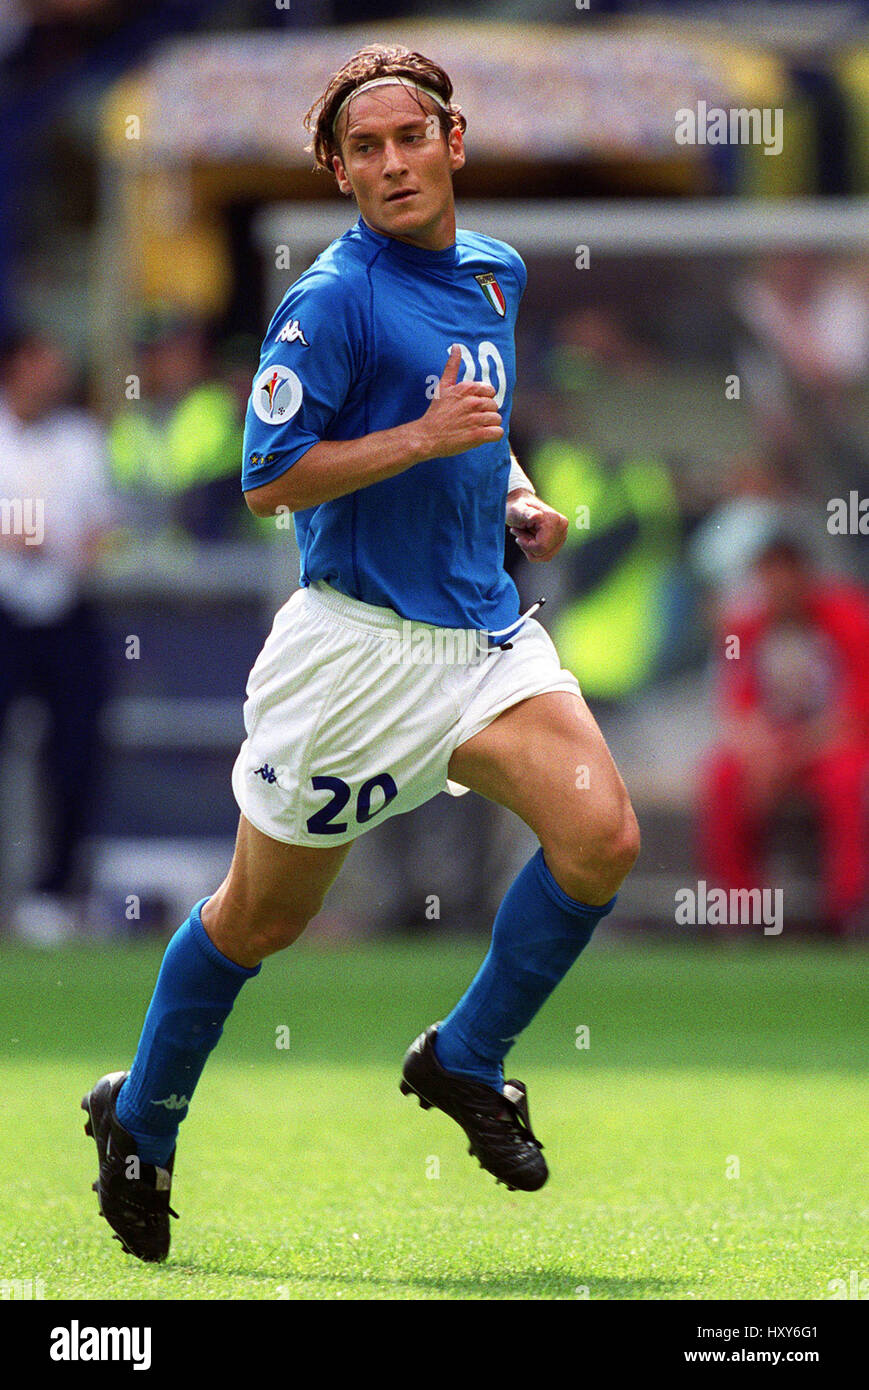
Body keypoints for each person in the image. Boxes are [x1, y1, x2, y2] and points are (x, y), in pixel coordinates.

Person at [81, 44, 640, 1262]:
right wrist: (417, 436)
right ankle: (142, 1114)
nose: (392, 162)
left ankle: (466, 1056)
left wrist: (512, 500)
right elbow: (268, 476)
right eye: (365, 148)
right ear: (336, 170)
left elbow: (477, 435)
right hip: (353, 659)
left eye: (410, 137)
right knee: (258, 919)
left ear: (453, 142)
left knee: (600, 838)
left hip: (482, 636)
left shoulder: (496, 272)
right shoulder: (330, 300)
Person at [0, 331, 114, 937]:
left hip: (67, 614)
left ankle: (53, 890)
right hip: (4, 617)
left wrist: (65, 543)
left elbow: (99, 524)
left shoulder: (81, 439)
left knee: (74, 755)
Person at [700, 537, 869, 936]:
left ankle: (847, 907)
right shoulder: (744, 628)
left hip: (832, 745)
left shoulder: (847, 618)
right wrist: (761, 753)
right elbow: (737, 709)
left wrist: (792, 753)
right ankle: (740, 910)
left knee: (845, 782)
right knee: (723, 776)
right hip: (777, 749)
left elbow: (856, 714)